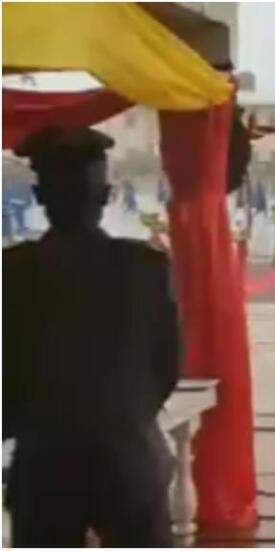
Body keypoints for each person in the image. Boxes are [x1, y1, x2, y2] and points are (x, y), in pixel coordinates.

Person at [3, 126, 180, 547]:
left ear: (40, 196)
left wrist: (39, 426)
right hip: (130, 460)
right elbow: (167, 365)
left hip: (45, 466)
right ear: (106, 195)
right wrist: (121, 420)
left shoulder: (11, 274)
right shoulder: (146, 268)